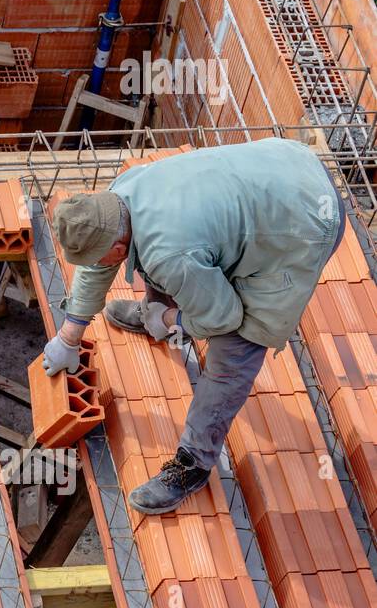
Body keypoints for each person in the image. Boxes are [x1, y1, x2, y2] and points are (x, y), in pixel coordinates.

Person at [40, 139, 346, 515]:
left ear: (116, 246)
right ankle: (158, 313)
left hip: (305, 223)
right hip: (283, 166)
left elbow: (225, 318)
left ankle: (194, 464)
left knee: (235, 349)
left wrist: (170, 319)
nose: (97, 264)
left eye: (100, 256)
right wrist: (69, 334)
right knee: (175, 266)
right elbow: (102, 263)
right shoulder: (120, 197)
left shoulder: (170, 252)